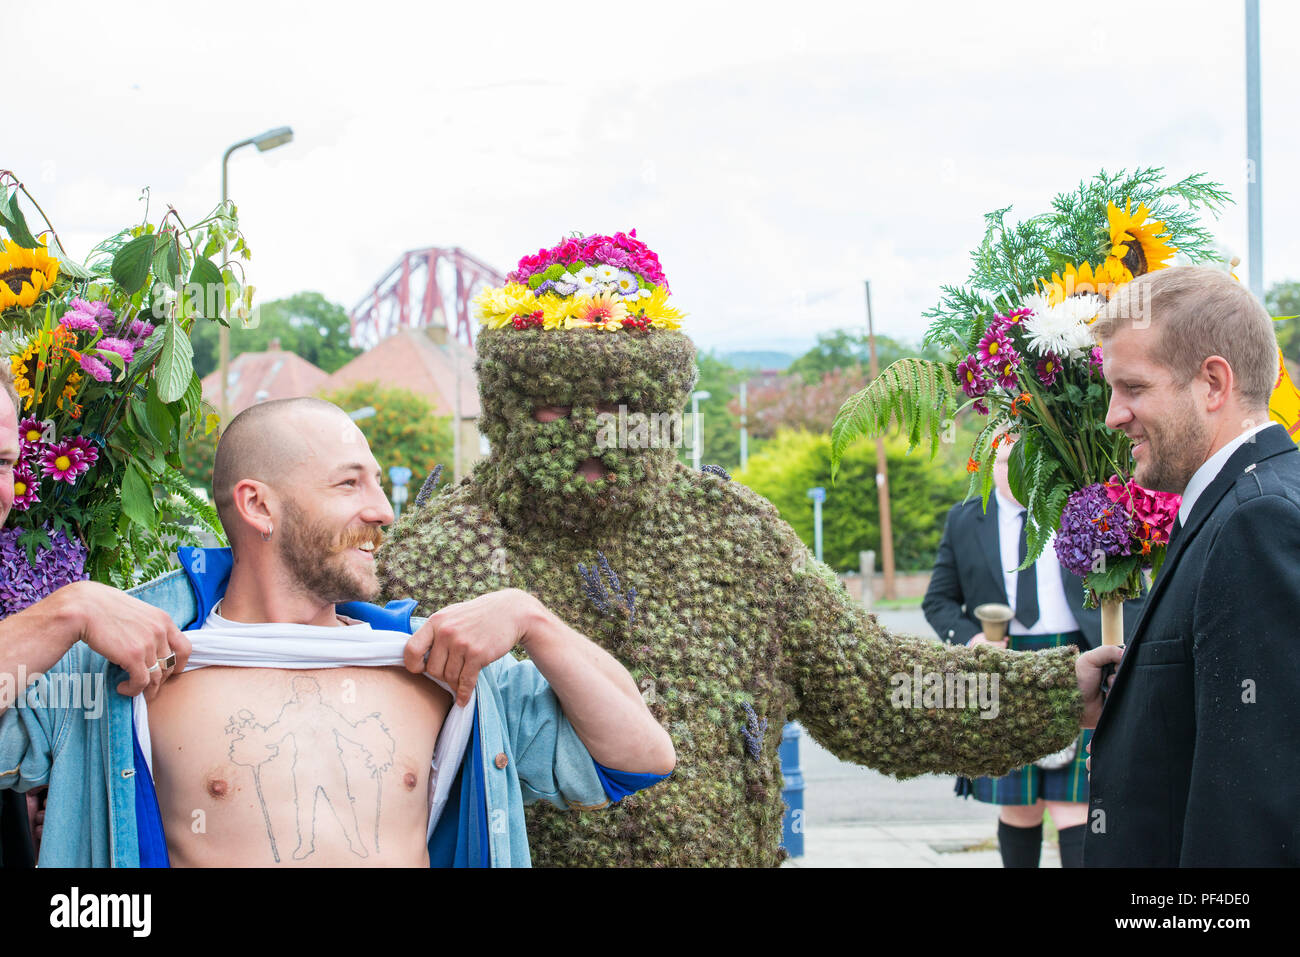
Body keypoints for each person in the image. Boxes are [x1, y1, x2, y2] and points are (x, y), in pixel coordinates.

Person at [375, 231, 1122, 867]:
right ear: (508, 401)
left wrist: (1056, 691)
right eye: (561, 401)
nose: (597, 427)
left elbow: (878, 685)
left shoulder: (735, 535)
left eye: (622, 403)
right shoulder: (436, 556)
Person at [0, 395, 674, 866]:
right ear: (259, 505)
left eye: (379, 484)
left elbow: (640, 755)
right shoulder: (131, 668)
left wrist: (534, 618)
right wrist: (67, 609)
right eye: (350, 484)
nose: (382, 510)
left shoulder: (435, 667)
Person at [1087, 265, 1300, 866]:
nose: (1112, 415)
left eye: (1133, 387)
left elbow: (1256, 804)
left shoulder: (1256, 523)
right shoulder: (1245, 501)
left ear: (1212, 383)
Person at [924, 437, 1142, 868]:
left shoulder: (1078, 510)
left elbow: (1126, 585)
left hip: (1078, 659)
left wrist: (1122, 649)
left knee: (1074, 805)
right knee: (1019, 806)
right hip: (1007, 666)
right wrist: (972, 639)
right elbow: (938, 601)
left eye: (1024, 460)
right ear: (988, 466)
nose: (1013, 471)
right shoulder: (966, 519)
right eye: (1004, 461)